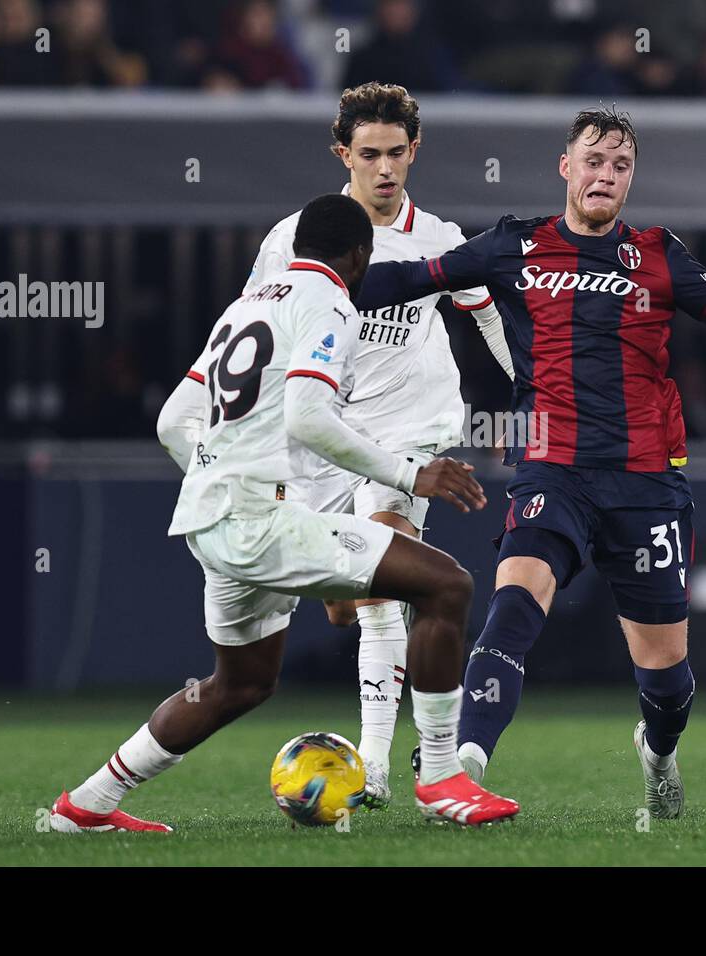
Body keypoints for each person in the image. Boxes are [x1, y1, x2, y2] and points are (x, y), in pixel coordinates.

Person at [356, 107, 706, 819]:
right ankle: (459, 766)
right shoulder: (515, 245)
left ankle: (658, 752)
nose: (606, 175)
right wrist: (320, 278)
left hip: (645, 484)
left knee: (665, 678)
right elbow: (414, 276)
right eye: (594, 161)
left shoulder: (659, 255)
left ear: (630, 178)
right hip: (552, 471)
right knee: (512, 607)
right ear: (566, 169)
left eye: (621, 165)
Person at [49, 194, 519, 832]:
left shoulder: (246, 306)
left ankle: (86, 805)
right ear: (360, 256)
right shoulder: (327, 302)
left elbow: (171, 423)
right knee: (448, 585)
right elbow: (308, 416)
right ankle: (440, 778)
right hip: (260, 523)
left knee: (237, 685)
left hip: (211, 521)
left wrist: (223, 474)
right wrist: (413, 473)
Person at [241, 82, 512, 808]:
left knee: (388, 569)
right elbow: (255, 336)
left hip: (413, 427)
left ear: (413, 150)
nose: (385, 168)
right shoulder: (293, 238)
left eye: (397, 153)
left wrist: (532, 388)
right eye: (370, 154)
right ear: (343, 154)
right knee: (348, 601)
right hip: (324, 432)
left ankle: (384, 770)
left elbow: (485, 316)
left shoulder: (442, 240)